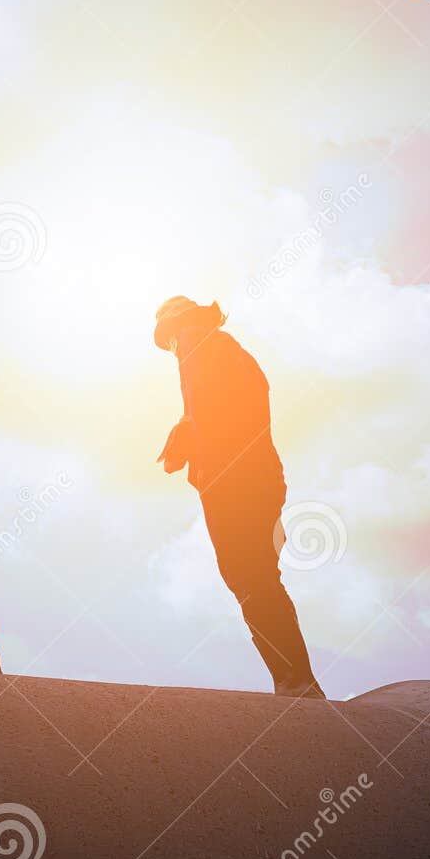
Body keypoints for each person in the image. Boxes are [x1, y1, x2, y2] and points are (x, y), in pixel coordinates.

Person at [154, 297, 325, 699]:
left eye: (168, 339)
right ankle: (296, 679)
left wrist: (189, 435)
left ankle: (295, 681)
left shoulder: (195, 341)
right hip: (257, 479)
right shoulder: (226, 350)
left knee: (249, 578)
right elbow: (224, 408)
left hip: (234, 482)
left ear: (178, 326)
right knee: (258, 577)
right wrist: (187, 428)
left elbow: (213, 411)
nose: (172, 349)